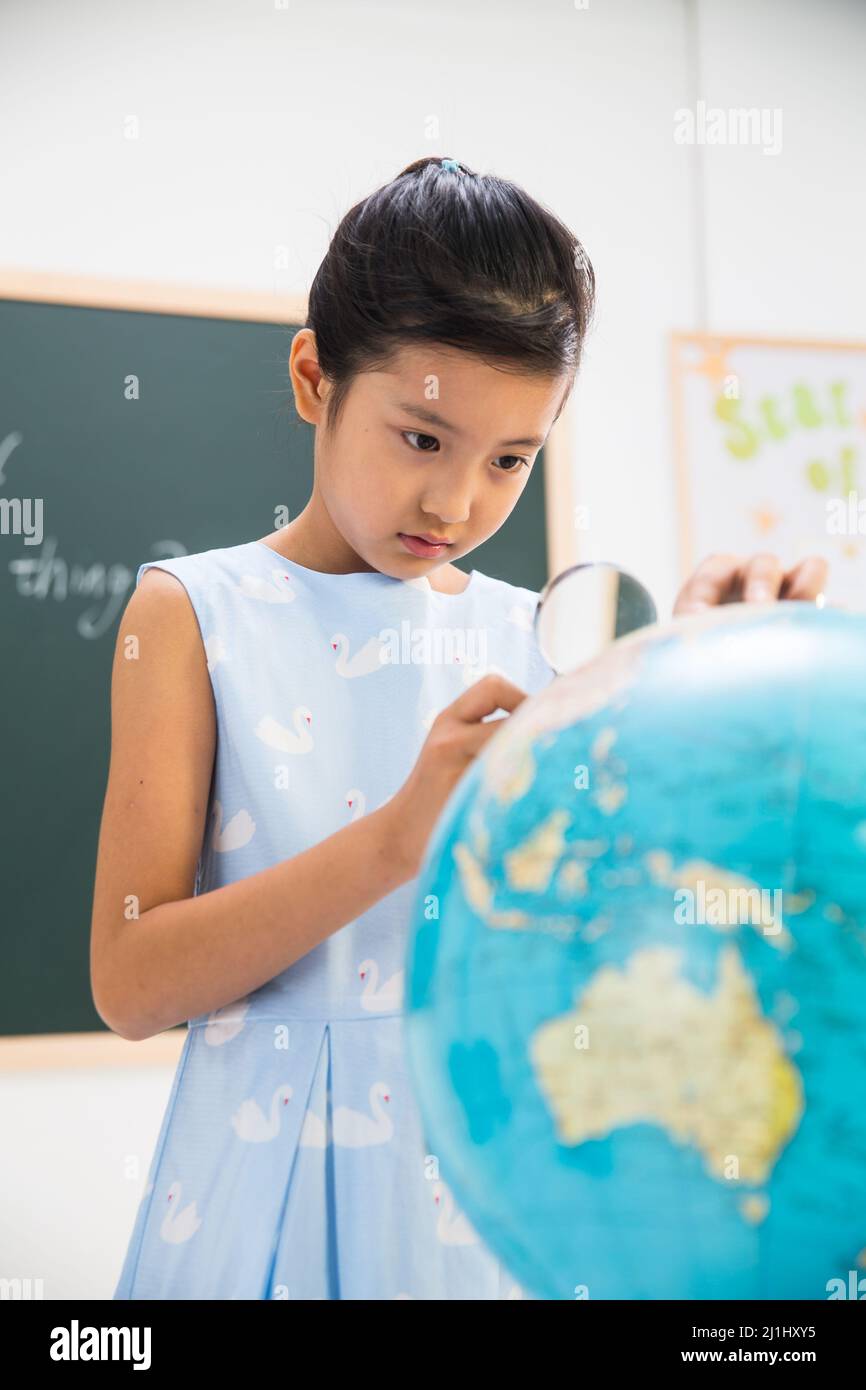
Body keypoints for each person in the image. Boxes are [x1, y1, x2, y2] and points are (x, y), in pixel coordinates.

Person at [91, 155, 827, 1300]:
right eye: (421, 438)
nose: (455, 504)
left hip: (480, 1179)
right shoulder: (191, 612)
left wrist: (698, 682)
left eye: (508, 460)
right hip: (258, 1182)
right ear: (310, 376)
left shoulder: (539, 637)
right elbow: (130, 981)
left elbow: (621, 923)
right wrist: (394, 839)